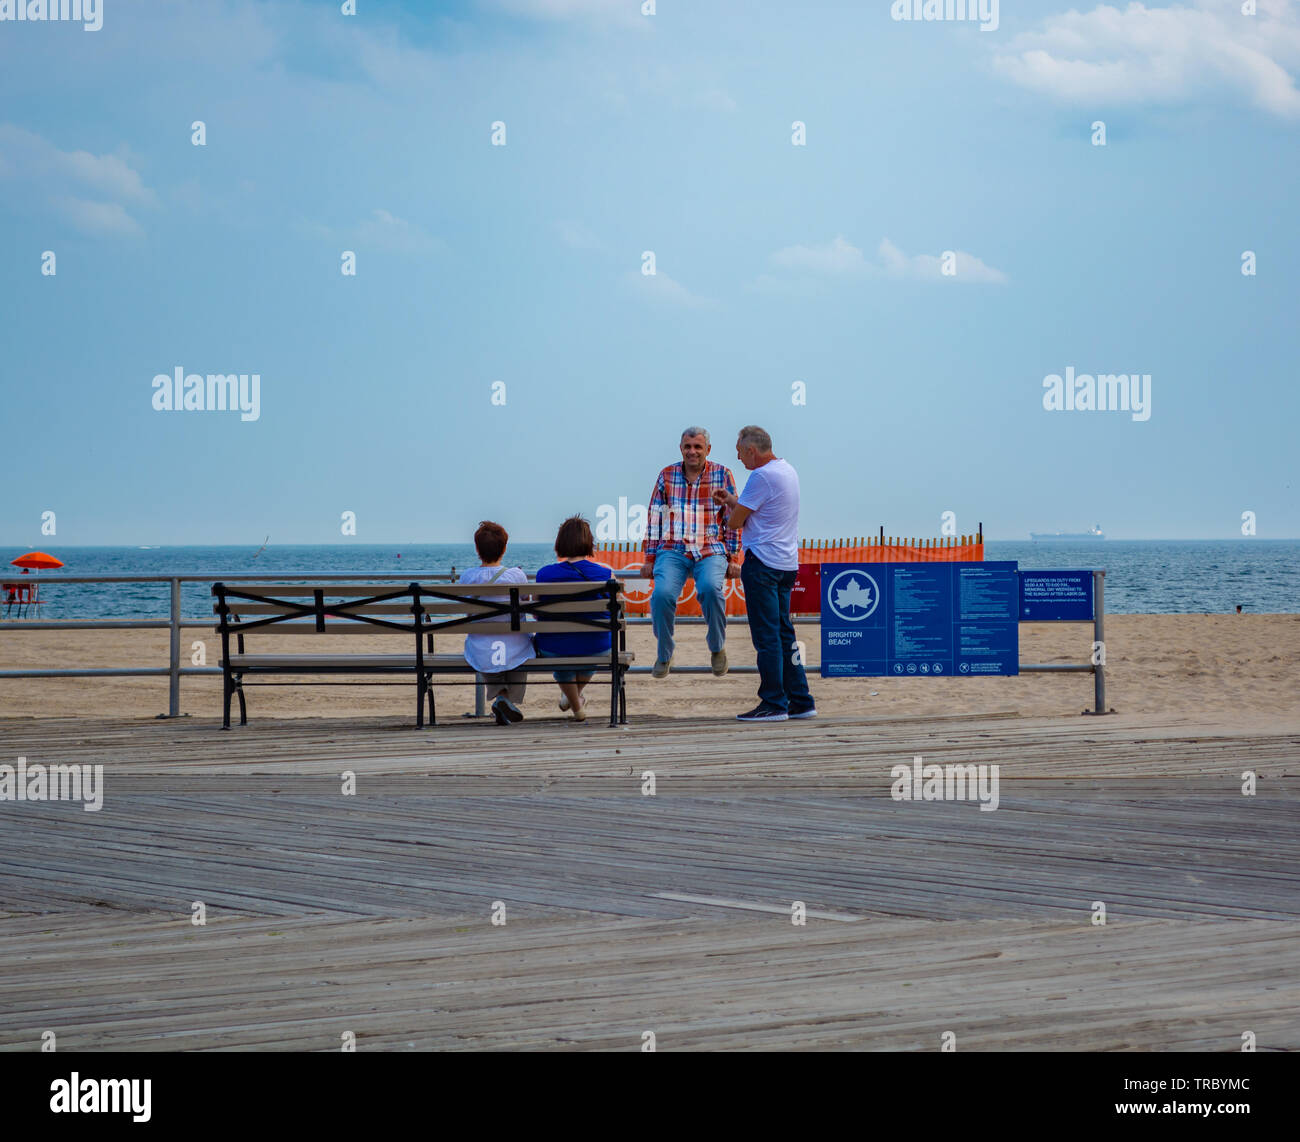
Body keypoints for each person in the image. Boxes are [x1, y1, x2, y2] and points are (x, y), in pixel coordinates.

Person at [713, 425, 816, 722]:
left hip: (762, 563)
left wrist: (730, 509)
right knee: (785, 634)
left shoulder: (760, 476)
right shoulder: (787, 471)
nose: (739, 459)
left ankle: (773, 702)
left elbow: (735, 523)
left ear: (751, 450)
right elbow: (759, 511)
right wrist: (734, 499)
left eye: (739, 452)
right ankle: (801, 700)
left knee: (766, 636)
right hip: (786, 564)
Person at [639, 426, 741, 678]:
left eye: (697, 446)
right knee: (661, 595)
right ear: (680, 448)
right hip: (673, 549)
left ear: (708, 449)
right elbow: (654, 519)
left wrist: (734, 557)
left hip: (710, 548)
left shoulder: (722, 474)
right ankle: (665, 654)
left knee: (709, 589)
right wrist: (650, 557)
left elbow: (733, 518)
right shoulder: (667, 475)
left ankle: (717, 648)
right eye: (688, 446)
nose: (692, 451)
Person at [535, 515, 613, 721]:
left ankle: (577, 706)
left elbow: (536, 611)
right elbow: (615, 611)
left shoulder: (544, 575)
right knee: (589, 647)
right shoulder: (606, 575)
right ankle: (576, 701)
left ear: (560, 542)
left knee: (562, 652)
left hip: (553, 646)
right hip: (598, 646)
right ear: (588, 542)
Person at [458, 521, 534, 725]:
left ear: (477, 549)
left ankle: (501, 697)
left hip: (482, 644)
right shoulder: (516, 575)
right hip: (515, 644)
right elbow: (527, 600)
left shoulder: (467, 577)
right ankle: (506, 700)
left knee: (483, 650)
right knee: (523, 648)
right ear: (504, 548)